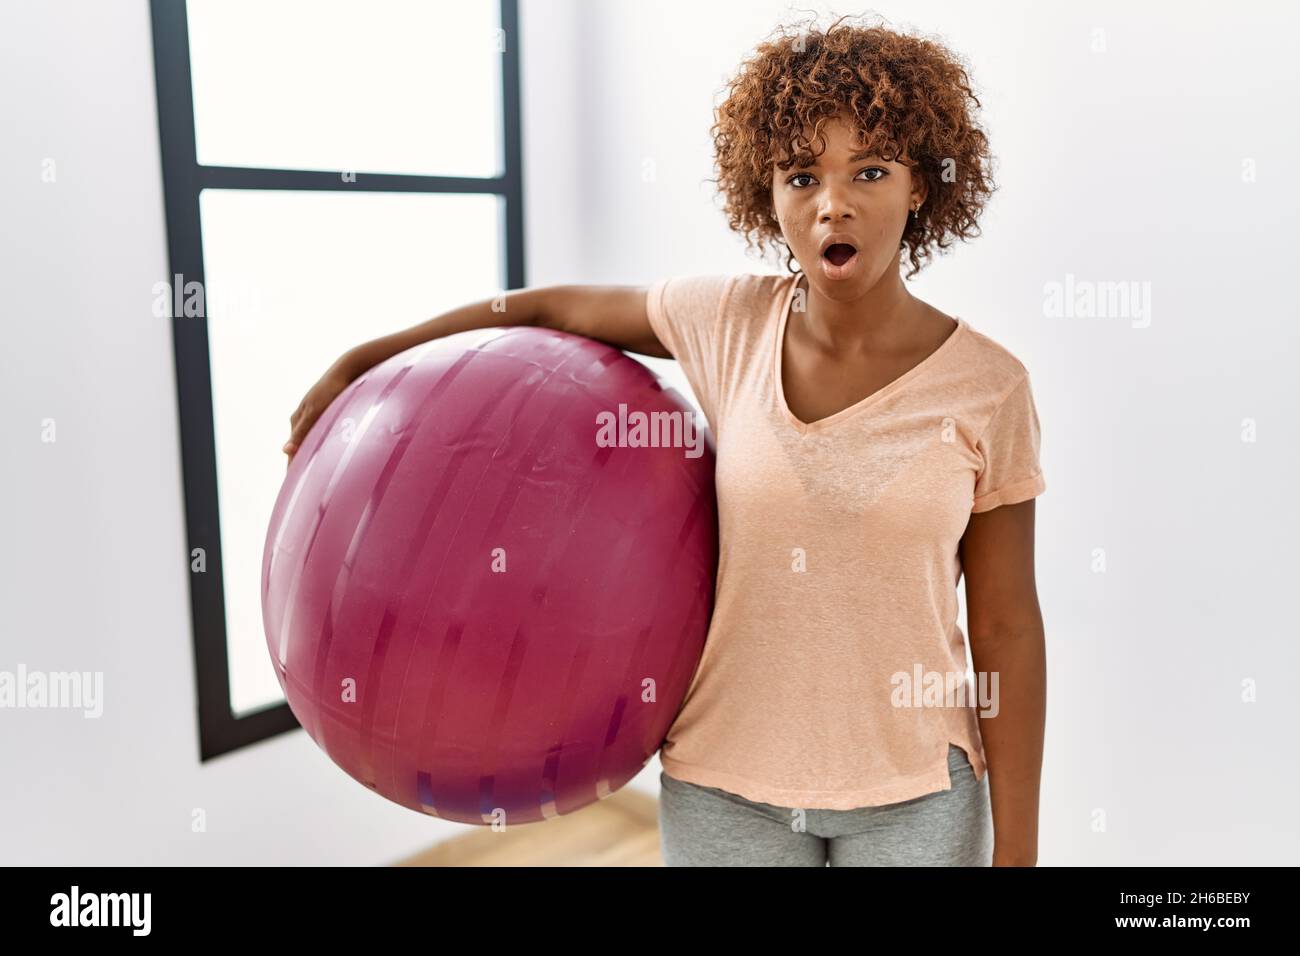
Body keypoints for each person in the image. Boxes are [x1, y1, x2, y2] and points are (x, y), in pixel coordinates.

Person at [283, 15, 1046, 867]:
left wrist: (1018, 847)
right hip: (727, 784)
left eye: (870, 170)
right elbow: (547, 309)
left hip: (916, 795)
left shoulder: (988, 386)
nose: (833, 202)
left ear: (920, 187)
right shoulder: (725, 322)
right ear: (770, 198)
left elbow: (1008, 627)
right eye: (802, 175)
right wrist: (372, 355)